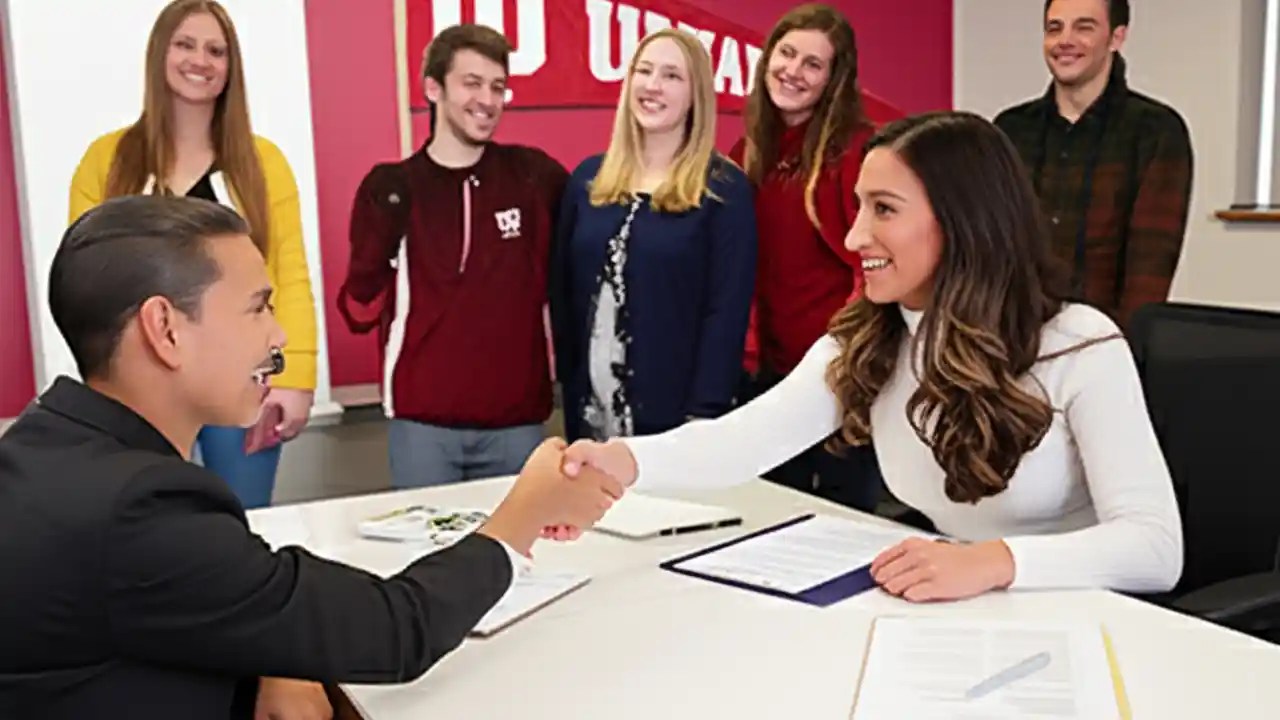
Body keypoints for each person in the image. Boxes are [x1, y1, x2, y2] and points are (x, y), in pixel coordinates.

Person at [0, 195, 623, 720]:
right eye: (258, 307)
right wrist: (521, 518)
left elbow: (224, 599)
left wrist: (277, 656)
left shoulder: (47, 447)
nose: (278, 335)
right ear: (165, 329)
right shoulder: (139, 507)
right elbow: (394, 630)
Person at [551, 112, 1184, 603]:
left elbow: (1156, 550)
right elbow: (745, 441)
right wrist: (621, 460)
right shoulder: (870, 339)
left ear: (962, 221)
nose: (855, 236)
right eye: (860, 206)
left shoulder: (1079, 343)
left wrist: (991, 562)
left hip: (1079, 613)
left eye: (884, 209)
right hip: (953, 601)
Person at [67, 0, 316, 509]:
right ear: (160, 53)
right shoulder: (107, 161)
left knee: (239, 523)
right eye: (185, 45)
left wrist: (295, 378)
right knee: (146, 527)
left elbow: (288, 275)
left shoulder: (263, 164)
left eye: (215, 51)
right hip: (141, 392)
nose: (200, 60)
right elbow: (86, 285)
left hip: (240, 379)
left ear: (231, 67)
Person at [338, 24, 568, 489]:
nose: (487, 100)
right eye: (472, 83)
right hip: (423, 426)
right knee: (428, 539)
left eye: (498, 87)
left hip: (518, 424)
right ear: (434, 88)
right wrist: (376, 245)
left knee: (524, 538)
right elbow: (358, 310)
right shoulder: (393, 186)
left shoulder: (532, 176)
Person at [551, 29, 756, 442]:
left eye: (671, 75)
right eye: (643, 71)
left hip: (677, 428)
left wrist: (704, 414)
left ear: (696, 95)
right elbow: (562, 296)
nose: (652, 85)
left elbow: (726, 312)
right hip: (590, 421)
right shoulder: (587, 180)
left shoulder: (723, 190)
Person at [728, 3, 884, 512]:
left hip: (839, 381)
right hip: (771, 381)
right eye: (787, 53)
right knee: (770, 518)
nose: (793, 71)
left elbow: (874, 265)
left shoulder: (857, 153)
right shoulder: (747, 153)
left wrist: (846, 361)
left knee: (845, 522)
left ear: (834, 79)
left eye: (812, 64)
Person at [994, 0, 1193, 328]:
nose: (1065, 40)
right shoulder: (1010, 130)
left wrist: (1115, 348)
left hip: (1102, 339)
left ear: (1116, 37)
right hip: (1013, 333)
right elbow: (992, 246)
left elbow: (1149, 271)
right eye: (1054, 28)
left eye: (1083, 27)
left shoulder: (1155, 131)